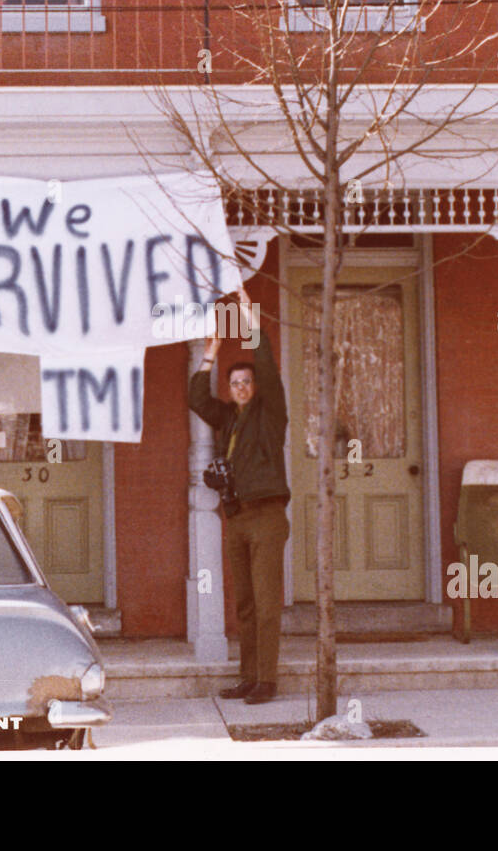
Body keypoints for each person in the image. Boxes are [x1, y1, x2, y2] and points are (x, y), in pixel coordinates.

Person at [188, 287, 290, 705]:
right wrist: (210, 352)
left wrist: (249, 317)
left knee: (267, 604)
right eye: (235, 383)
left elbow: (265, 364)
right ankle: (248, 676)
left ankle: (267, 680)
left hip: (266, 516)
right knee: (245, 604)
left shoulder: (270, 413)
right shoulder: (228, 418)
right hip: (238, 518)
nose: (243, 386)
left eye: (247, 381)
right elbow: (196, 397)